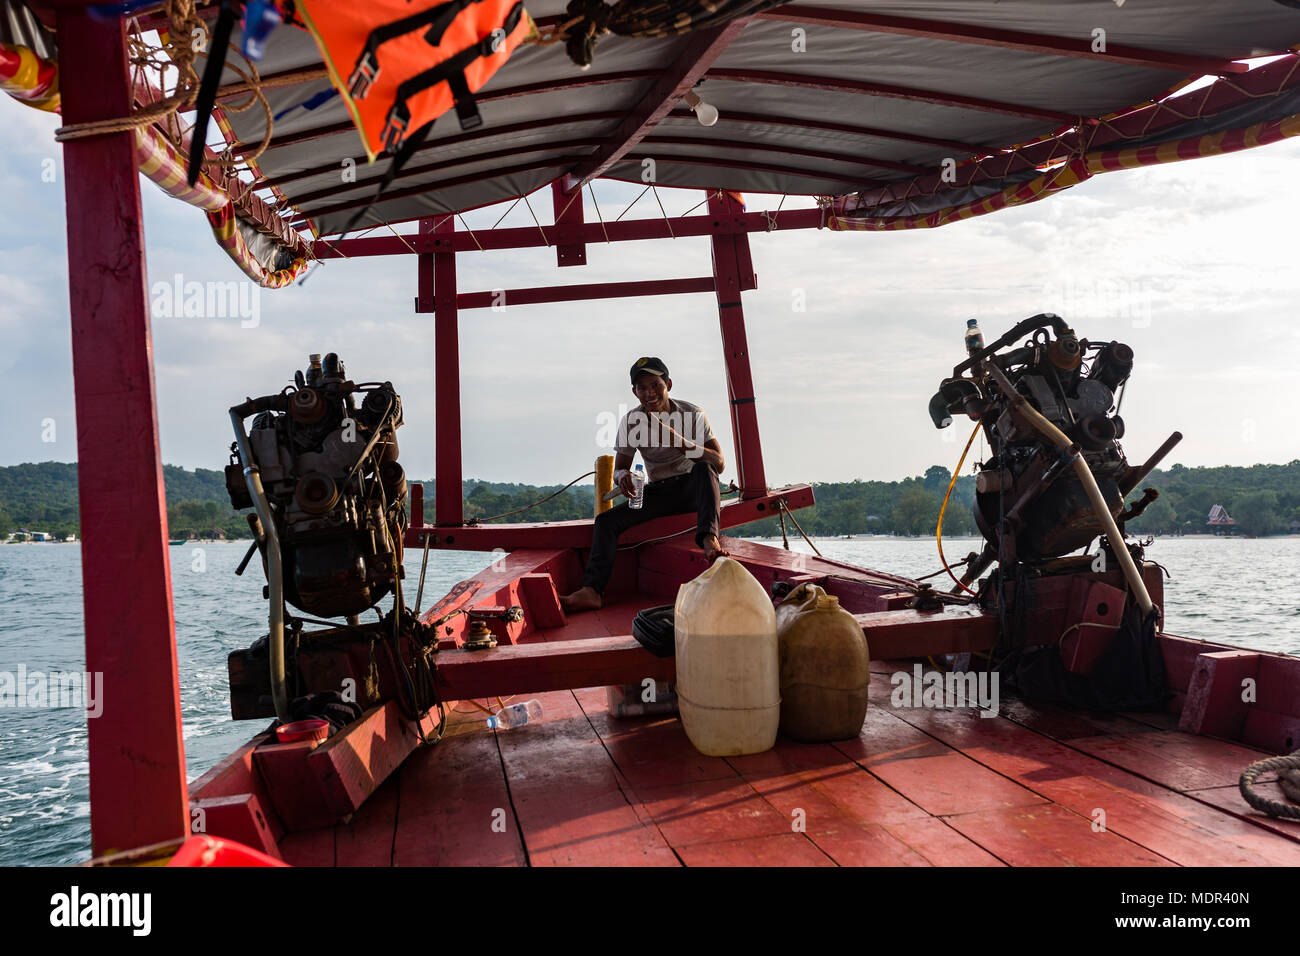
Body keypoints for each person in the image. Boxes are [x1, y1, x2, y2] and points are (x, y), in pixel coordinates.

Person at [560, 357, 730, 613]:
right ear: (634, 392)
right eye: (642, 388)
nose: (649, 393)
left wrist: (680, 442)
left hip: (693, 489)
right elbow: (620, 468)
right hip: (660, 491)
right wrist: (622, 478)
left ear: (668, 384)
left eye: (655, 385)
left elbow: (719, 463)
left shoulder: (692, 414)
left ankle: (709, 539)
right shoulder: (631, 421)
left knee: (704, 468)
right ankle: (592, 591)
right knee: (606, 522)